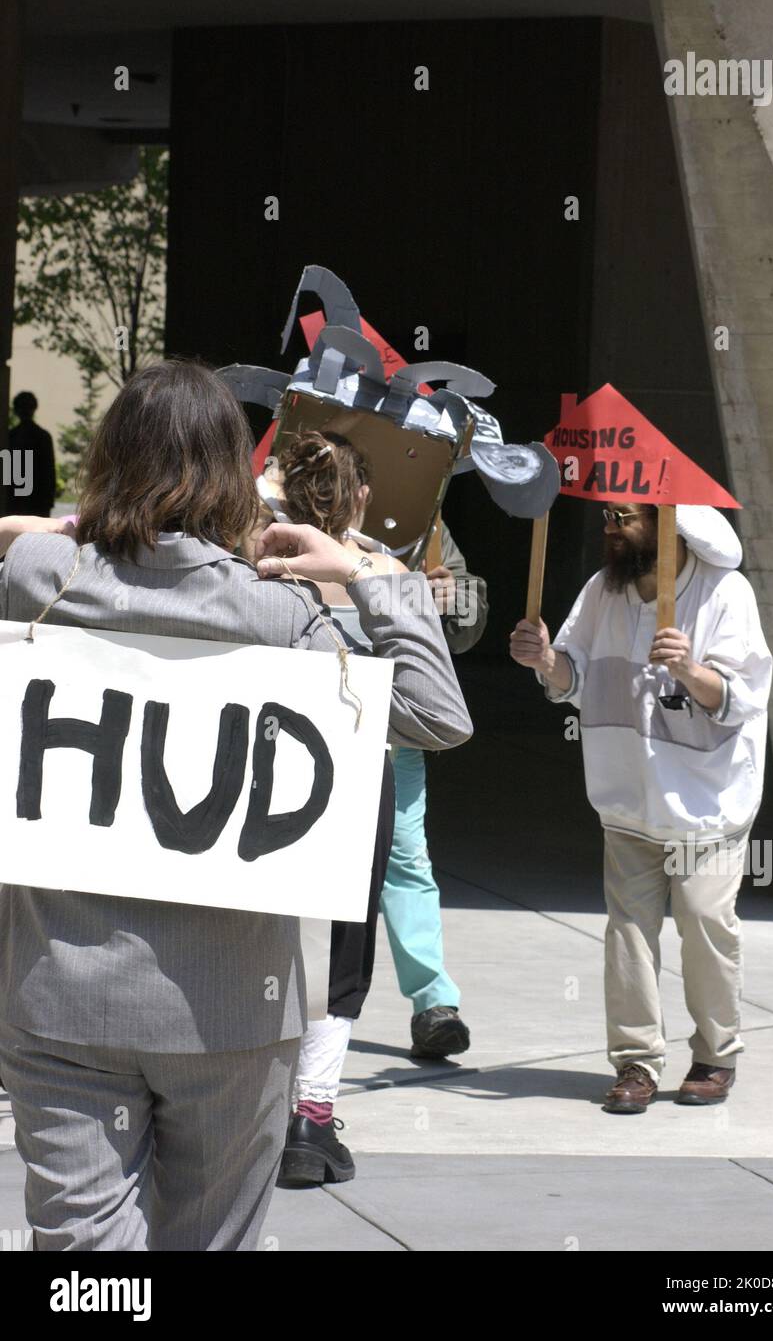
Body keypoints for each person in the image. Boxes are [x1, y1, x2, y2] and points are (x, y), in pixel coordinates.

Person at [0, 360, 472, 1250]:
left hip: (56, 996)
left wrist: (49, 530)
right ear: (229, 470)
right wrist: (369, 571)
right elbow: (436, 717)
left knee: (81, 1252)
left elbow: (42, 543)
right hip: (228, 1010)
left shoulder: (42, 578)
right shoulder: (280, 613)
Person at [510, 502, 772, 1113]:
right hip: (626, 795)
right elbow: (571, 677)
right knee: (628, 935)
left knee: (707, 928)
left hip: (707, 802)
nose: (611, 525)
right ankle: (636, 1063)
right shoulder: (604, 589)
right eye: (607, 514)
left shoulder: (724, 592)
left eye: (626, 516)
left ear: (669, 526)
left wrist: (690, 668)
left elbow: (743, 697)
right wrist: (543, 658)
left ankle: (715, 1054)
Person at [256, 429, 406, 1186]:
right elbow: (426, 693)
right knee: (343, 949)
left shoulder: (249, 564)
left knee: (257, 929)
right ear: (361, 497)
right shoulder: (381, 569)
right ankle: (311, 1118)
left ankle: (255, 1106)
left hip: (257, 766)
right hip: (356, 771)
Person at [385, 522, 488, 1059]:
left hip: (395, 720)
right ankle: (289, 1000)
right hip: (307, 719)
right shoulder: (281, 503)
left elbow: (468, 619)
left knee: (406, 860)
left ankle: (434, 1004)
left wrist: (451, 602)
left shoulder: (428, 520)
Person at [9, 391, 56, 516]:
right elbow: (49, 471)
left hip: (20, 499)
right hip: (33, 500)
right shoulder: (42, 436)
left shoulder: (10, 437)